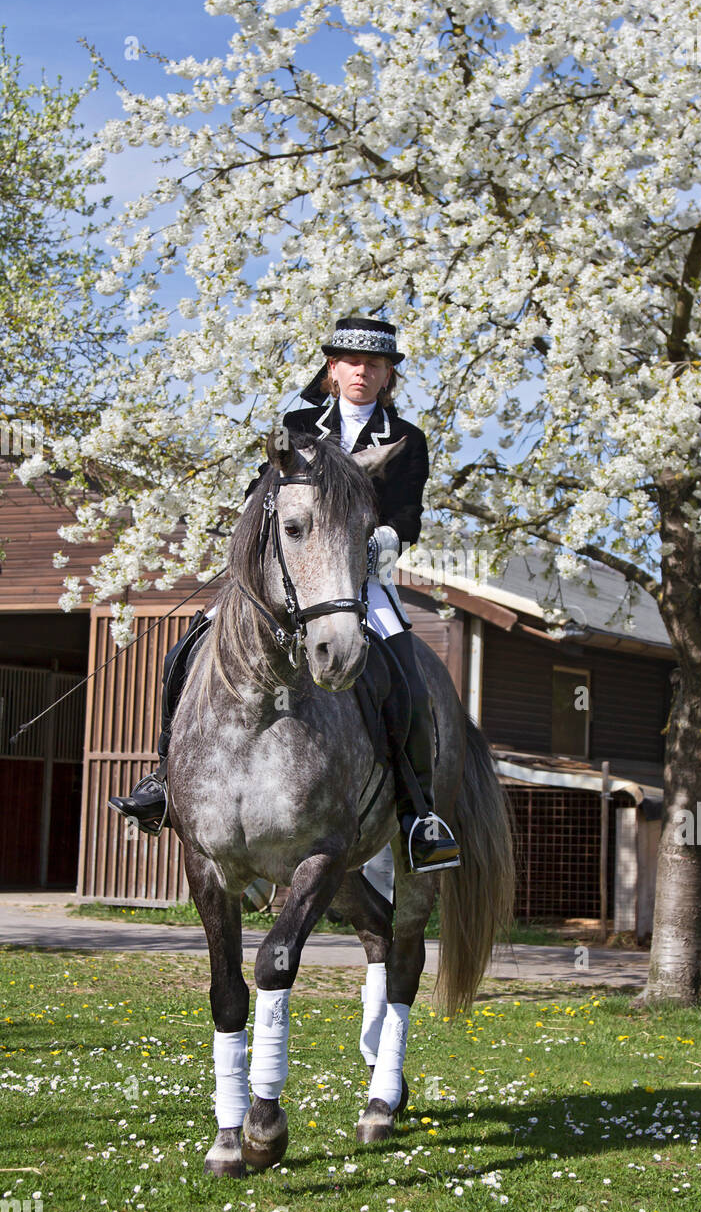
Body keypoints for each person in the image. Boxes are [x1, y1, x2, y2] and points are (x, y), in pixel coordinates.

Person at [109, 314, 461, 876]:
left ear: (388, 374)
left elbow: (408, 518)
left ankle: (419, 813)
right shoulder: (293, 424)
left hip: (358, 582)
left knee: (410, 683)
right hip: (285, 576)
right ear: (333, 368)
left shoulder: (405, 440)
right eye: (352, 362)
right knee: (185, 652)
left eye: (375, 364)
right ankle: (163, 779)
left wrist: (376, 544)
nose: (363, 372)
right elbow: (259, 493)